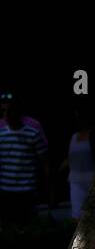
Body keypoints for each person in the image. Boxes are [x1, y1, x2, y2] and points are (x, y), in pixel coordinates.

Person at [0, 95, 47, 226]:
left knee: (27, 228)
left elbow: (44, 162)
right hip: (5, 191)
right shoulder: (1, 135)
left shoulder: (33, 134)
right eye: (3, 111)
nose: (6, 115)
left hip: (26, 191)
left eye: (10, 111)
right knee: (8, 228)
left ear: (18, 112)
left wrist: (48, 189)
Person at [64, 102, 95, 218]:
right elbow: (70, 157)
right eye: (77, 117)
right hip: (76, 180)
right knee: (77, 214)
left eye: (80, 117)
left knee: (93, 214)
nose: (79, 120)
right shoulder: (73, 137)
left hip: (93, 179)